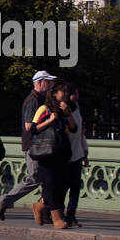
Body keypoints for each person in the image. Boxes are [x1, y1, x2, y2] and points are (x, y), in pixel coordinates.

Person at [0, 70, 55, 220]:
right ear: (40, 82)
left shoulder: (42, 99)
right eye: (48, 82)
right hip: (33, 146)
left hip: (42, 145)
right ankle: (5, 200)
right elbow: (29, 126)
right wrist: (49, 121)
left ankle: (47, 213)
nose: (50, 85)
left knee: (48, 179)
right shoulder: (32, 100)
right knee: (34, 178)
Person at [27, 80, 77, 229]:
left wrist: (68, 114)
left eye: (67, 92)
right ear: (54, 93)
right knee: (50, 185)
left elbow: (73, 129)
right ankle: (57, 218)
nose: (66, 94)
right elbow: (34, 129)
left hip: (62, 152)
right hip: (47, 152)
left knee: (62, 184)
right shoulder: (44, 108)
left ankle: (40, 205)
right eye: (63, 92)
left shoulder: (66, 109)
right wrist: (50, 120)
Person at [62, 84, 89, 229]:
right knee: (62, 186)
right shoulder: (62, 110)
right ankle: (50, 210)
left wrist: (85, 150)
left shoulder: (77, 108)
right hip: (64, 154)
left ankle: (70, 215)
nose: (76, 97)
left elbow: (80, 132)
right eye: (74, 94)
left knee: (75, 187)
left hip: (77, 154)